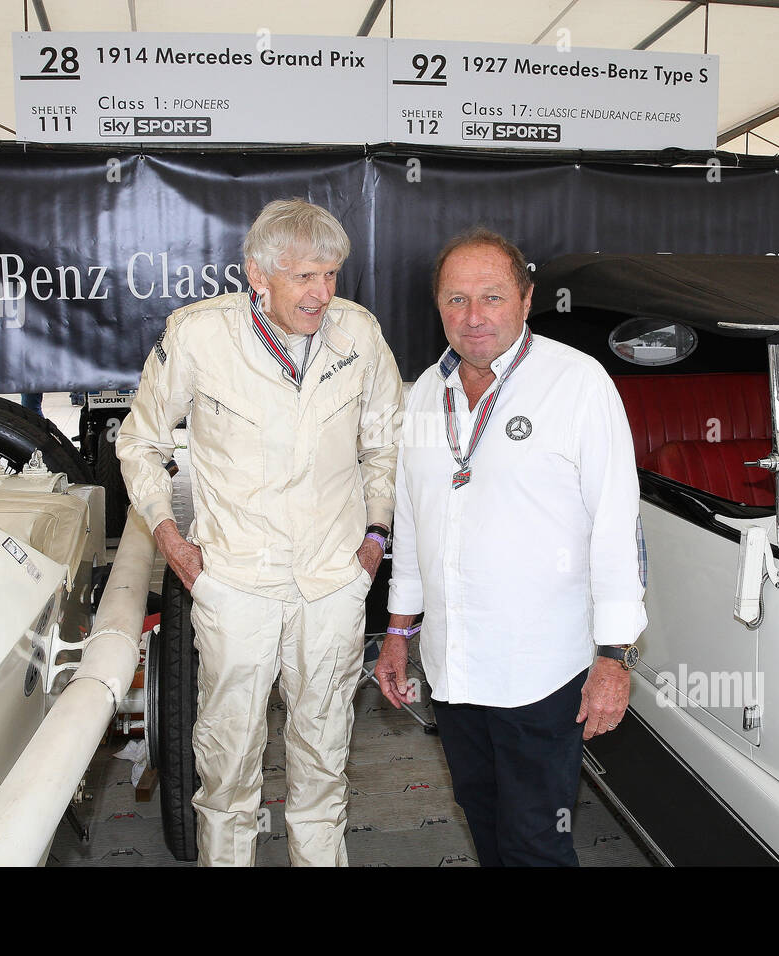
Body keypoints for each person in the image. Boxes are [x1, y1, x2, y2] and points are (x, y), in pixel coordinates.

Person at [116, 199, 403, 867]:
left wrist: (375, 539)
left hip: (333, 584)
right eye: (303, 277)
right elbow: (139, 444)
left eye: (330, 275)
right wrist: (170, 539)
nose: (321, 293)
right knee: (228, 773)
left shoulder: (359, 334)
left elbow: (385, 445)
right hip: (237, 585)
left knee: (323, 766)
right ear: (257, 274)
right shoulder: (196, 336)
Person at [376, 228, 647, 867]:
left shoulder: (577, 385)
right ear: (437, 306)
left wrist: (615, 657)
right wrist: (398, 632)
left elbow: (617, 527)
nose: (474, 317)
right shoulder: (422, 396)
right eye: (456, 299)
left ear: (526, 300)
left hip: (542, 672)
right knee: (485, 823)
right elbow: (413, 525)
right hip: (454, 669)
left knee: (535, 843)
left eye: (492, 297)